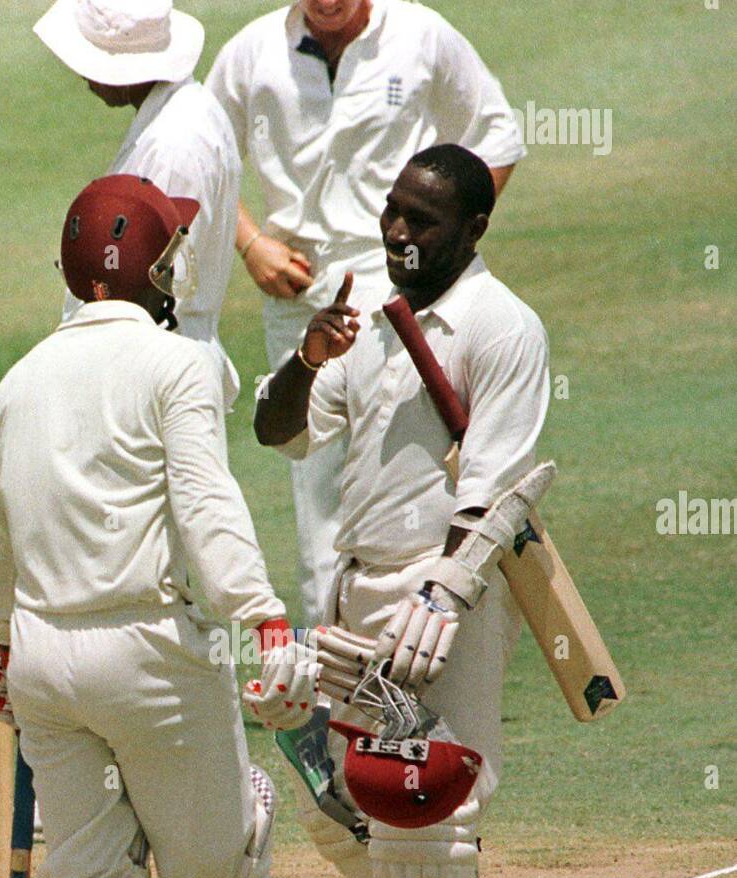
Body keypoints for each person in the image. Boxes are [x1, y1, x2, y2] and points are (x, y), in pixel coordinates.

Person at [0, 173, 328, 878]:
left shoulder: (16, 380)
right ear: (158, 268)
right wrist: (261, 615)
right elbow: (204, 504)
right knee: (218, 865)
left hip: (45, 657)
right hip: (154, 656)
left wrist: (3, 645)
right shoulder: (180, 365)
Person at [253, 145, 558, 878]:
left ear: (473, 228)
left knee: (423, 817)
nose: (397, 233)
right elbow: (278, 432)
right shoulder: (376, 324)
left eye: (422, 221)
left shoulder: (501, 328)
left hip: (441, 613)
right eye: (392, 213)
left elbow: (501, 485)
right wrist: (304, 361)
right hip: (359, 603)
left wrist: (444, 594)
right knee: (335, 800)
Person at [208, 0, 526, 620]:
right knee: (317, 491)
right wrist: (250, 245)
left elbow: (497, 136)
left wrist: (446, 241)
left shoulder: (421, 34)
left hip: (409, 287)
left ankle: (428, 641)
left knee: (418, 471)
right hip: (302, 295)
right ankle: (328, 689)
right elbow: (209, 159)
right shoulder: (251, 51)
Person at [34, 0, 242, 404]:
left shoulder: (174, 145)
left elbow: (152, 290)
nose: (81, 75)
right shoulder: (180, 114)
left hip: (150, 384)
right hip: (152, 371)